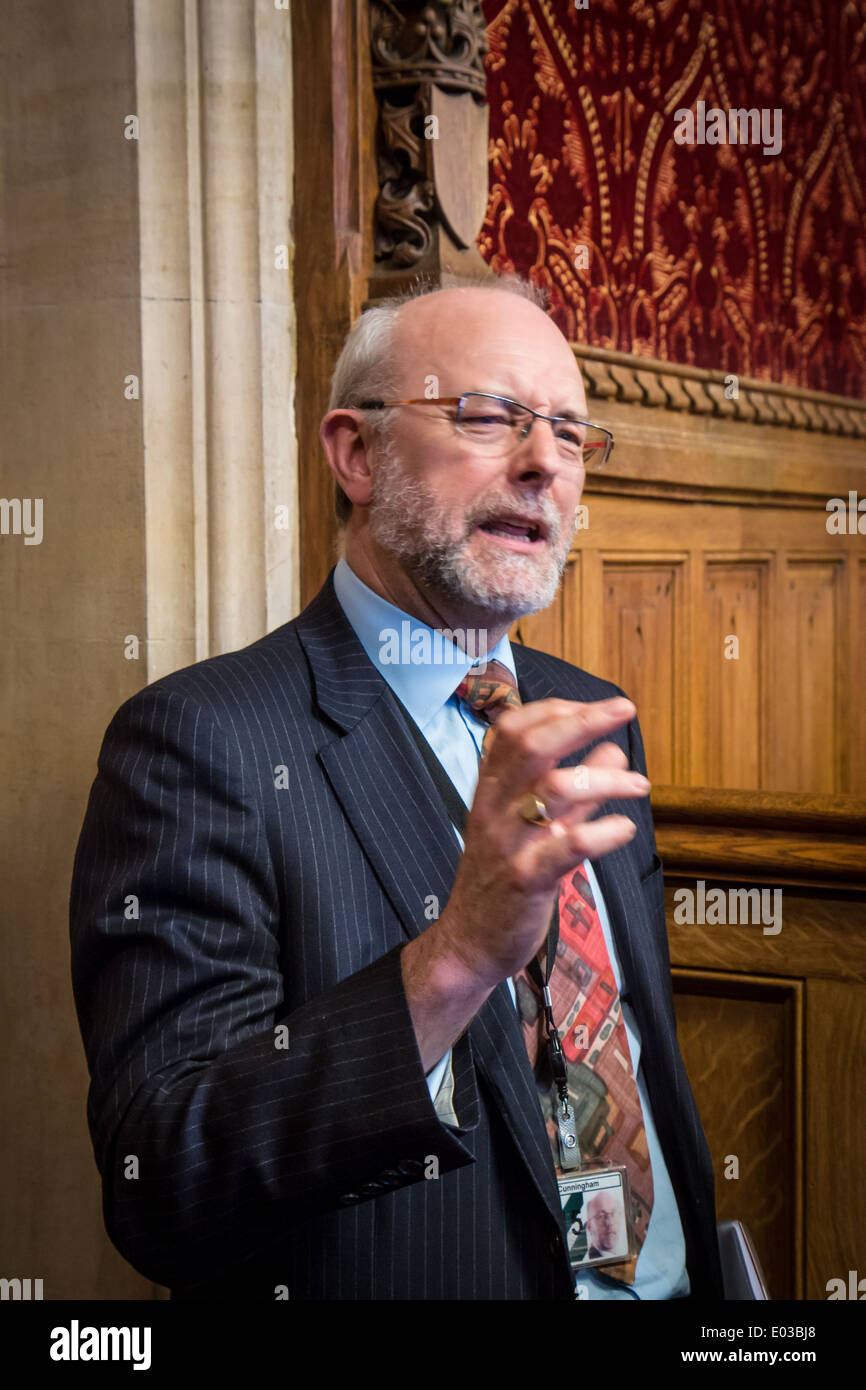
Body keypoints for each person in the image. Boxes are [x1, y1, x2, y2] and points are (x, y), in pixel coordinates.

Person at [70, 275, 723, 1301]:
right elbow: (164, 1179)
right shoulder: (200, 742)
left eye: (566, 430)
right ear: (356, 452)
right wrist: (459, 954)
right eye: (486, 416)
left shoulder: (591, 714)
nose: (542, 461)